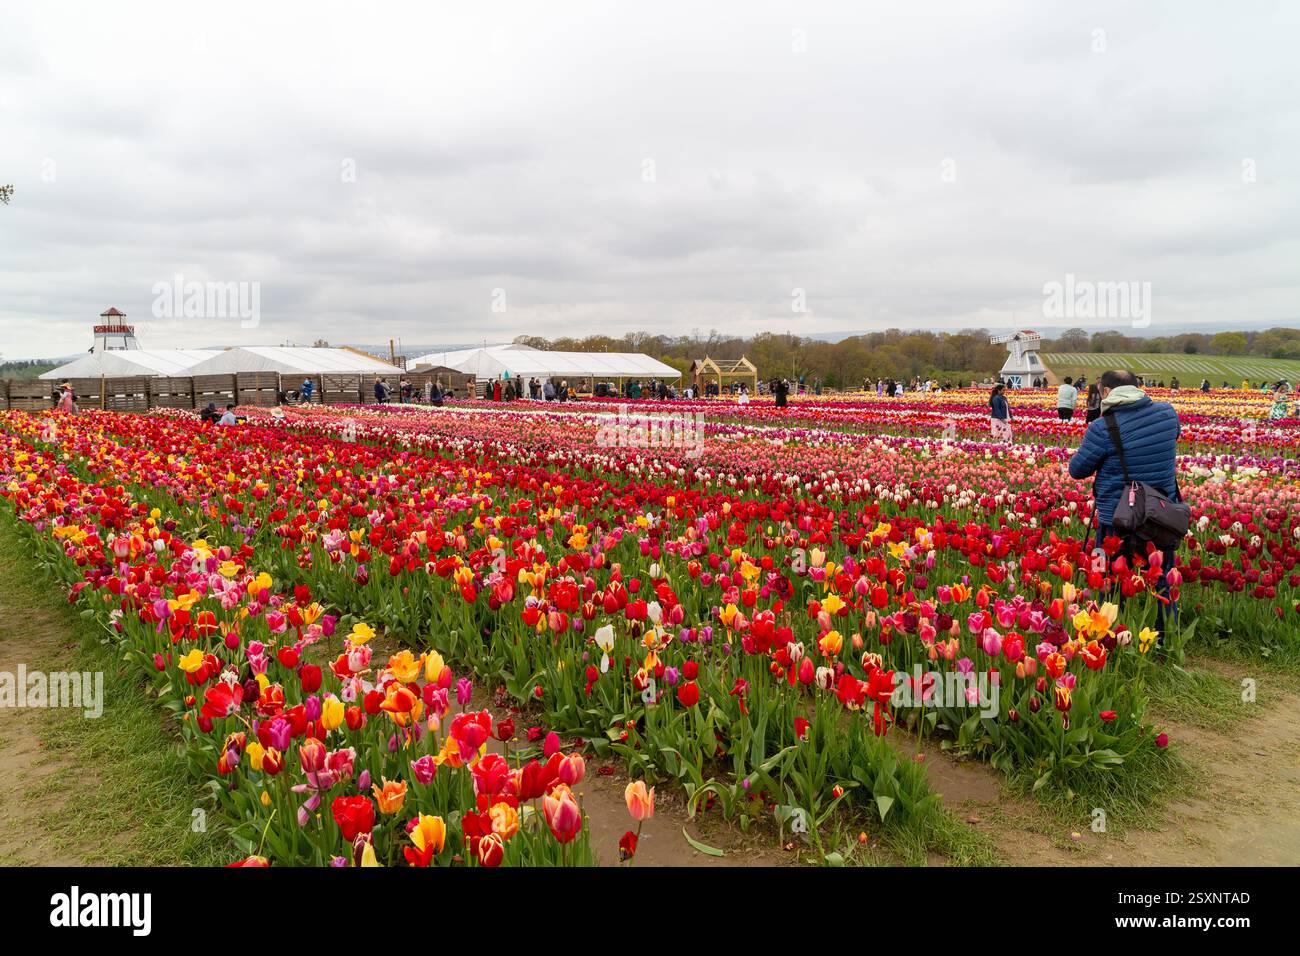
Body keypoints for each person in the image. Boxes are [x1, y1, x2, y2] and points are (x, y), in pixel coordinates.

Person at [1068, 369, 1182, 629]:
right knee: (1162, 578)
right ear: (1138, 386)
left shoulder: (1101, 427)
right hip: (1162, 514)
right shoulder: (1168, 413)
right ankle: (1165, 638)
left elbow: (1077, 470)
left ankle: (1109, 637)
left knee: (1108, 578)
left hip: (1116, 518)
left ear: (1106, 392)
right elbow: (1169, 438)